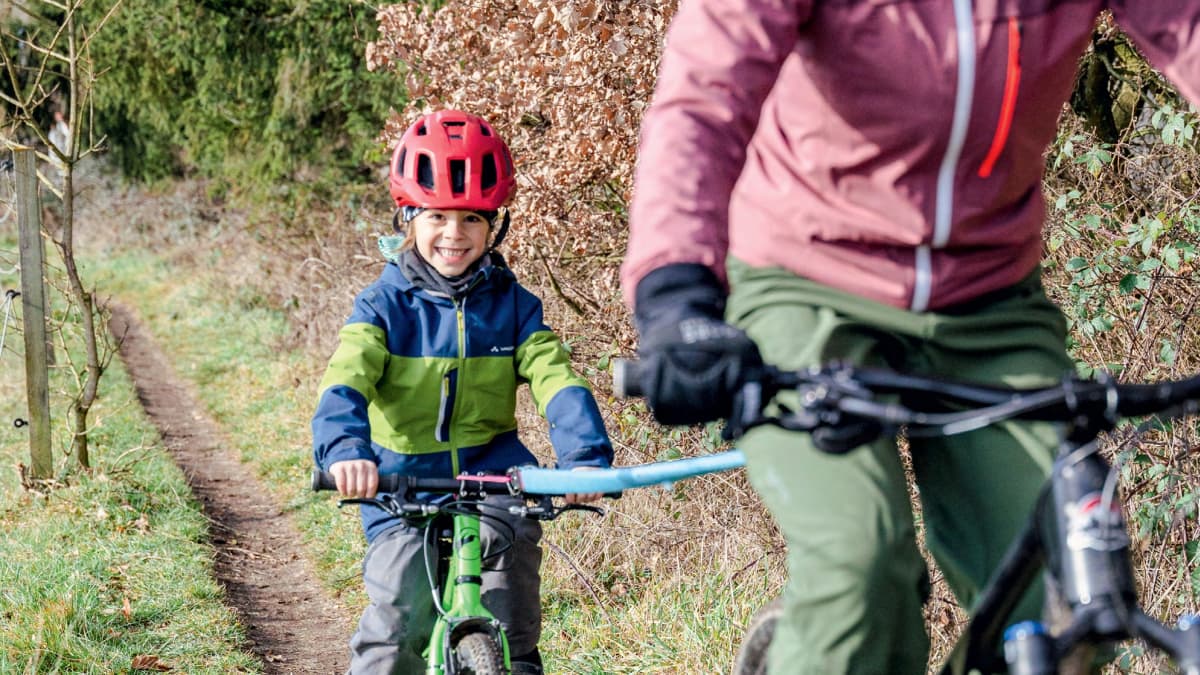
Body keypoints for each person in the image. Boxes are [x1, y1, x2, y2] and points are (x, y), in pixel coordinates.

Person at [620, 4, 1200, 674]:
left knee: (1066, 604)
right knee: (858, 574)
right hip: (802, 278)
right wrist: (675, 286)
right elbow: (703, 94)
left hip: (990, 298)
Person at [313, 109, 613, 674]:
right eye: (438, 217)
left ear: (493, 225)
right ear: (409, 216)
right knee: (399, 618)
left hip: (495, 473)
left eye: (472, 218)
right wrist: (347, 452)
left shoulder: (515, 307)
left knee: (513, 615)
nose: (455, 234)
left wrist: (583, 461)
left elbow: (557, 378)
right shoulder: (383, 306)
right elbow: (345, 379)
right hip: (401, 479)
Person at [47, 110, 69, 177]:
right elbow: (50, 147)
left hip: (63, 155)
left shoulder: (61, 125)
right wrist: (50, 159)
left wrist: (62, 120)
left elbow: (68, 133)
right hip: (55, 158)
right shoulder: (51, 133)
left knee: (64, 174)